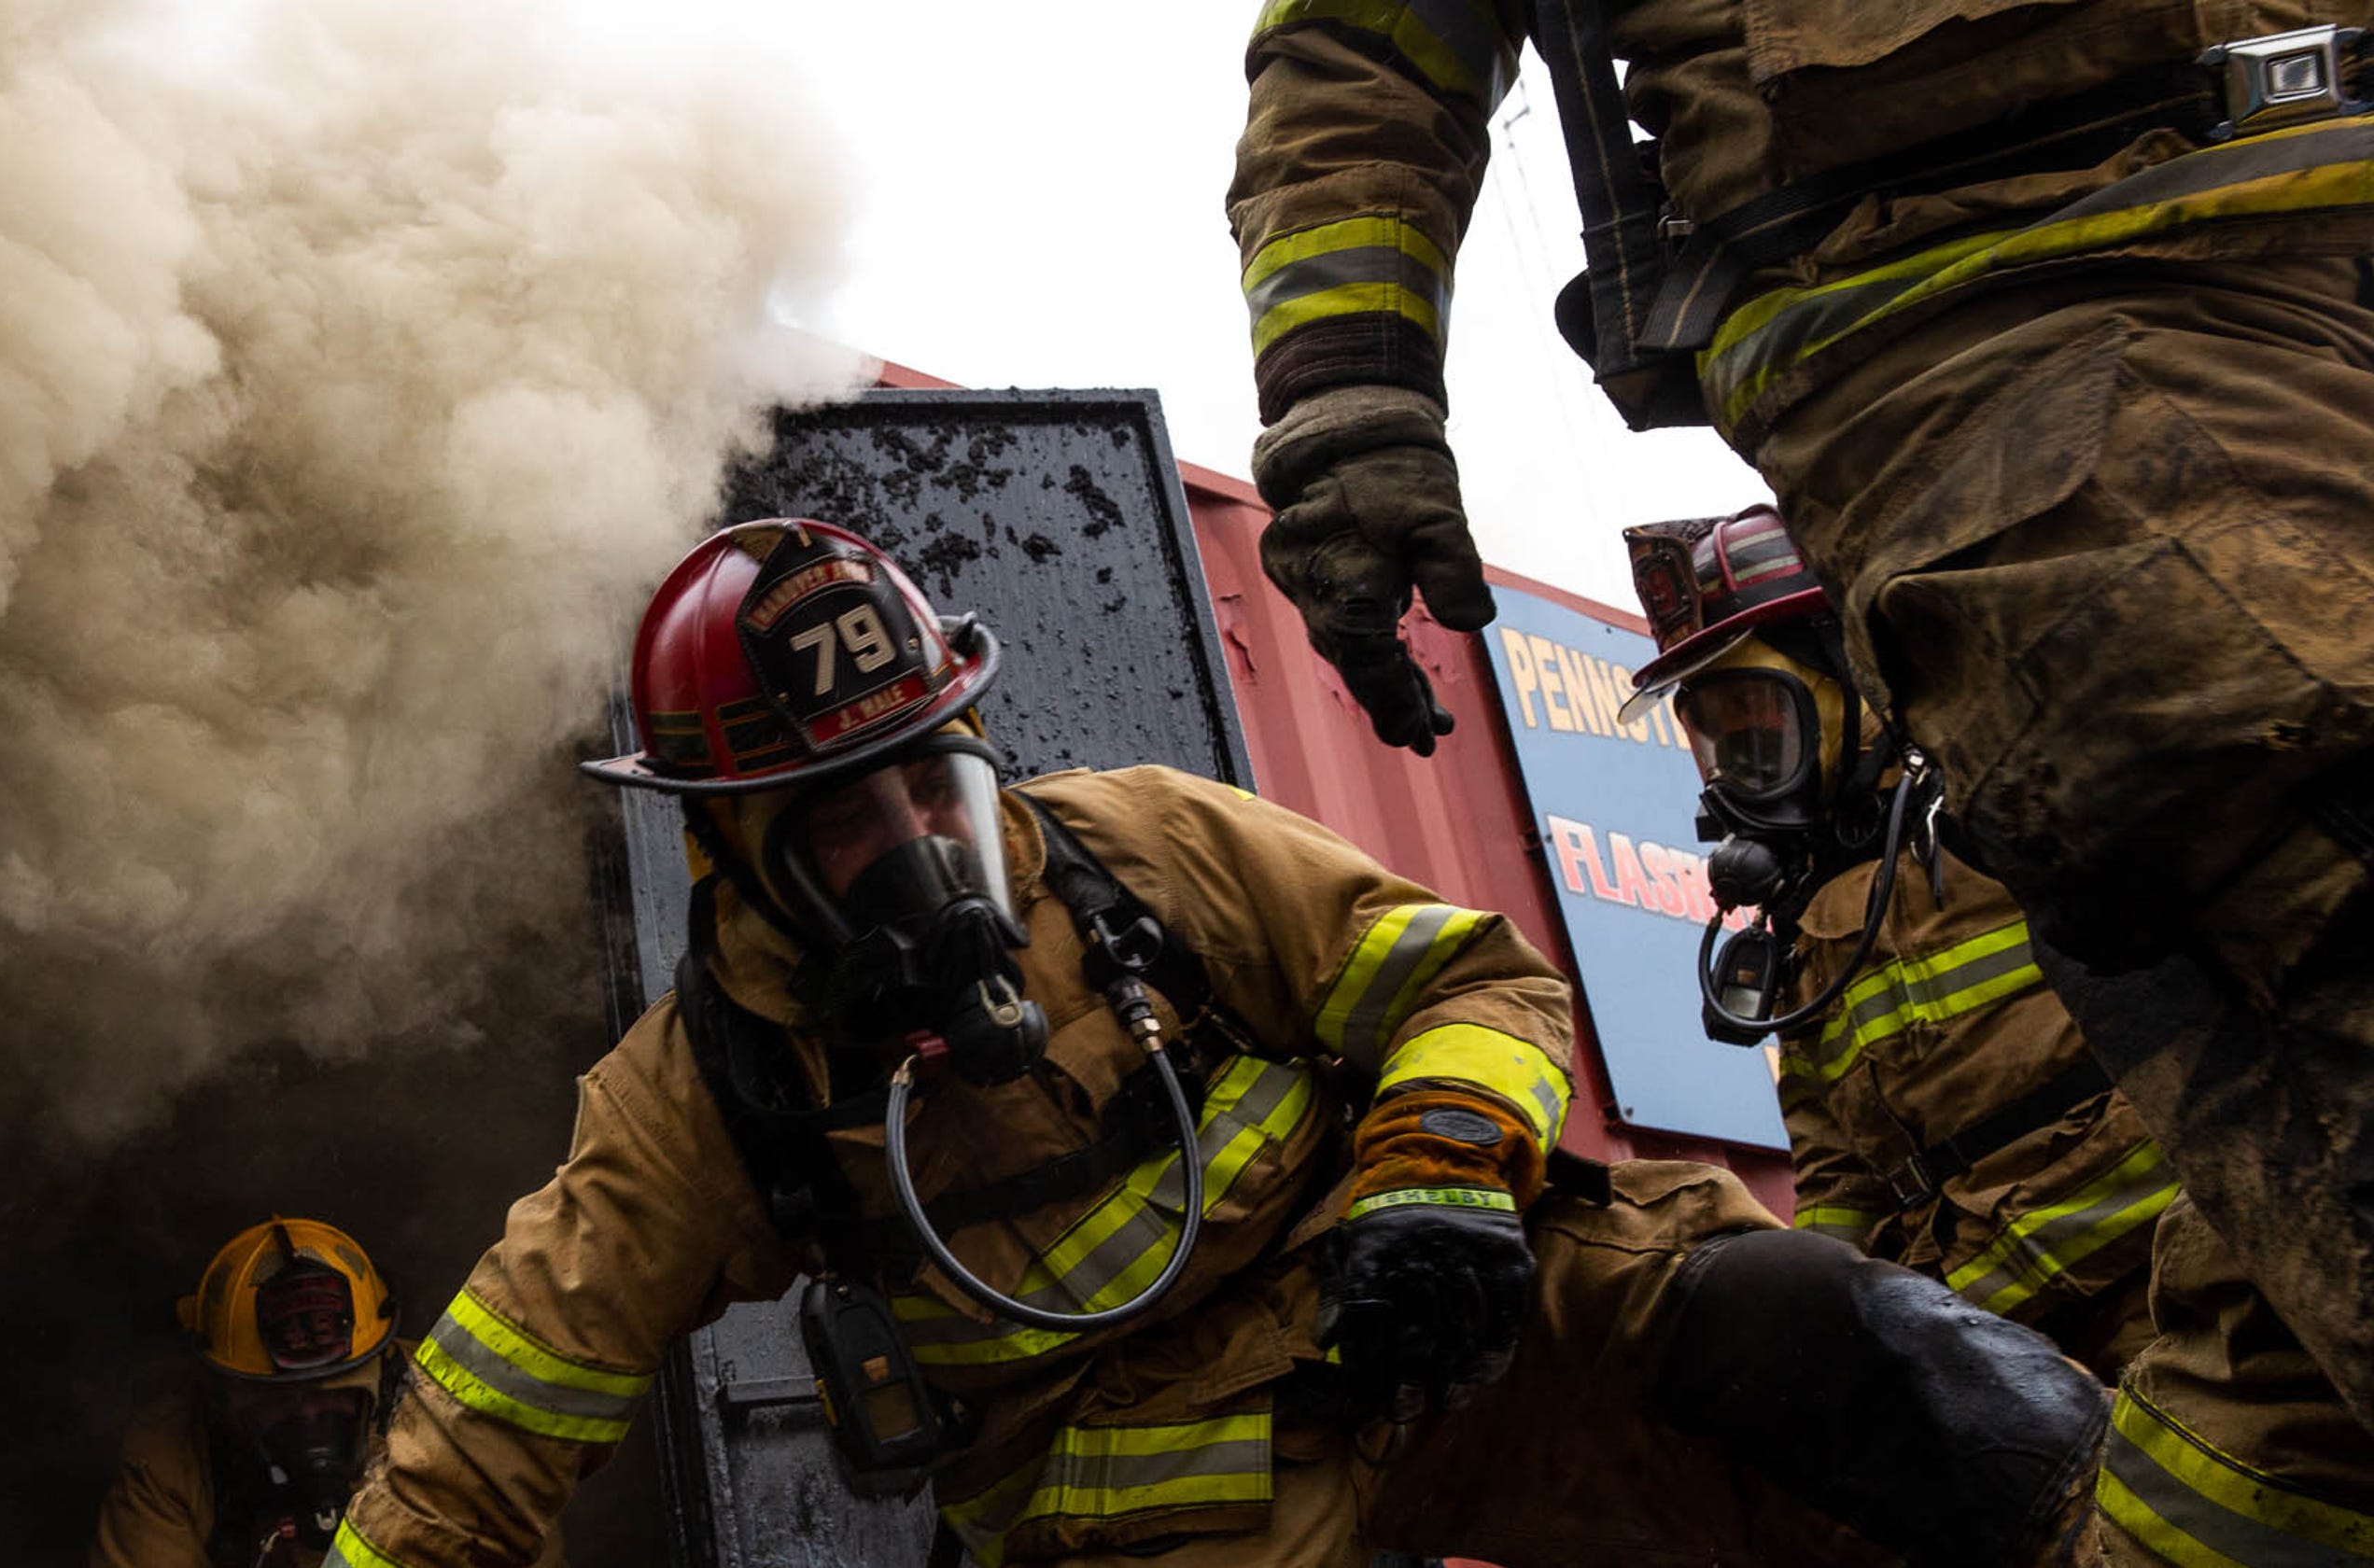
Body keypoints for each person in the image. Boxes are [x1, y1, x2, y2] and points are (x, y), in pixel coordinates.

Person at [328, 518, 2101, 1568]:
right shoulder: (695, 1102)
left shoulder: (1136, 845)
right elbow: (485, 1427)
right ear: (733, 847)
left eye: (928, 781)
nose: (918, 847)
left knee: (1851, 1349)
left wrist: (1437, 1175)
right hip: (1157, 1506)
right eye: (841, 824)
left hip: (1419, 1311)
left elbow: (1468, 982)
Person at [1224, 3, 2374, 1532]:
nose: (1728, 781)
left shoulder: (1913, 874)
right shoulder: (1820, 951)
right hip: (2018, 303)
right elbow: (1364, 37)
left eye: (1751, 726)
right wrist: (1349, 389)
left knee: (2294, 1314)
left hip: (2319, 231)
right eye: (1708, 737)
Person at [1622, 506, 2171, 1375]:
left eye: (1760, 717)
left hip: (2163, 1276)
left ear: (1859, 676)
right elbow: (1840, 1171)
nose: (1740, 760)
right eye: (1717, 733)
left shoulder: (2006, 799)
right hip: (2002, 1335)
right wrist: (1838, 1320)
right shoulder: (1805, 921)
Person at [94, 1218, 406, 1568]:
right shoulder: (171, 1459)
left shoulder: (444, 1407)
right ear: (225, 1398)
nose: (310, 1417)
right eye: (283, 1400)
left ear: (381, 1376)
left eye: (336, 1393)